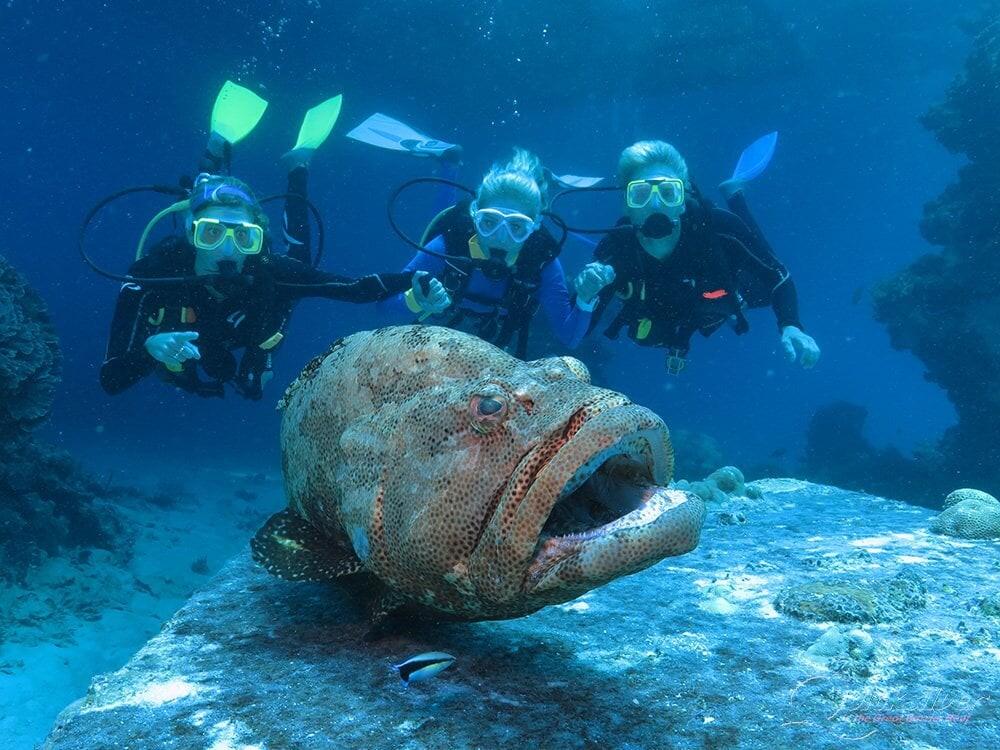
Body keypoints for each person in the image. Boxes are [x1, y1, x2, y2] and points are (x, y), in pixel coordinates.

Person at [99, 85, 433, 400]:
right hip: (201, 340)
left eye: (244, 236)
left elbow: (355, 288)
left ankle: (297, 167)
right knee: (218, 206)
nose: (227, 250)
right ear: (191, 234)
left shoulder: (271, 271)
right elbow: (111, 379)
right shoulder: (152, 276)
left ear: (258, 240)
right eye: (211, 233)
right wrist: (148, 351)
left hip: (253, 316)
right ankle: (212, 164)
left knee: (300, 266)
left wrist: (415, 282)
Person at [585, 140, 820, 374]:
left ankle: (735, 195)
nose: (655, 204)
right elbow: (580, 324)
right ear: (626, 203)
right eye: (641, 194)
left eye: (669, 193)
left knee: (765, 271)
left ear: (684, 200)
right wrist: (584, 294)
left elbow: (778, 276)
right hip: (675, 313)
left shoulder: (720, 229)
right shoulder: (615, 251)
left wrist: (790, 324)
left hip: (724, 291)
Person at [377, 147, 615, 358]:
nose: (501, 238)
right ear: (474, 216)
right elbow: (384, 305)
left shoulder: (542, 263)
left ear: (534, 228)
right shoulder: (447, 246)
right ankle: (450, 165)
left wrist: (585, 298)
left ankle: (541, 186)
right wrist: (416, 299)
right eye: (489, 223)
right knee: (441, 214)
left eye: (516, 227)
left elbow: (569, 336)